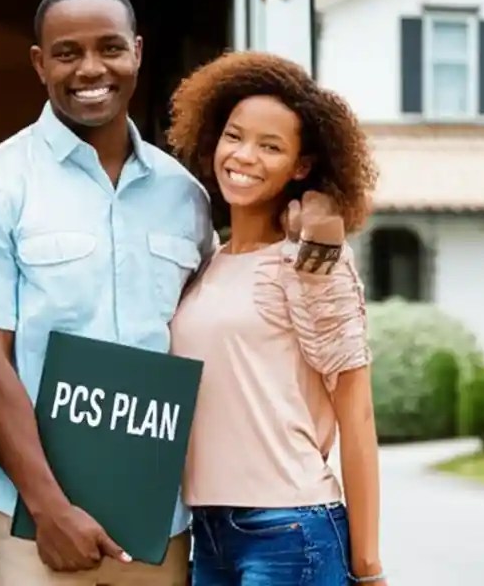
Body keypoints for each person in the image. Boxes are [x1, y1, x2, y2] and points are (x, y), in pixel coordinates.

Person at [0, 0, 216, 585]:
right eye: (68, 53)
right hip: (29, 527)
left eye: (110, 48)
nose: (92, 68)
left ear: (137, 51)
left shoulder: (185, 198)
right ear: (40, 64)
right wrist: (49, 508)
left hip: (156, 526)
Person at [164, 51, 385, 586]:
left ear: (301, 165)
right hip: (210, 531)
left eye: (271, 146)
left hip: (291, 528)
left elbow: (356, 415)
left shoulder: (313, 261)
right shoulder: (208, 262)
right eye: (234, 136)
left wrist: (368, 566)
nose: (244, 156)